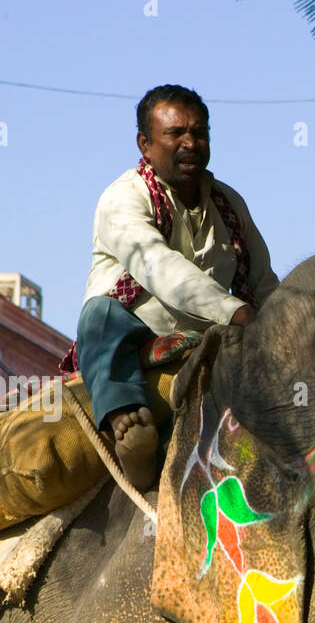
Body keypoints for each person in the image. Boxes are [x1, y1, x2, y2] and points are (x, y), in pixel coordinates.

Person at [67, 84, 279, 491]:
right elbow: (160, 267)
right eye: (175, 133)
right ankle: (127, 422)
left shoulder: (229, 204)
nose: (190, 143)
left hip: (207, 336)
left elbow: (264, 282)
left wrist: (282, 326)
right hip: (136, 327)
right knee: (99, 315)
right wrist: (235, 312)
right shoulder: (123, 197)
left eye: (199, 133)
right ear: (145, 144)